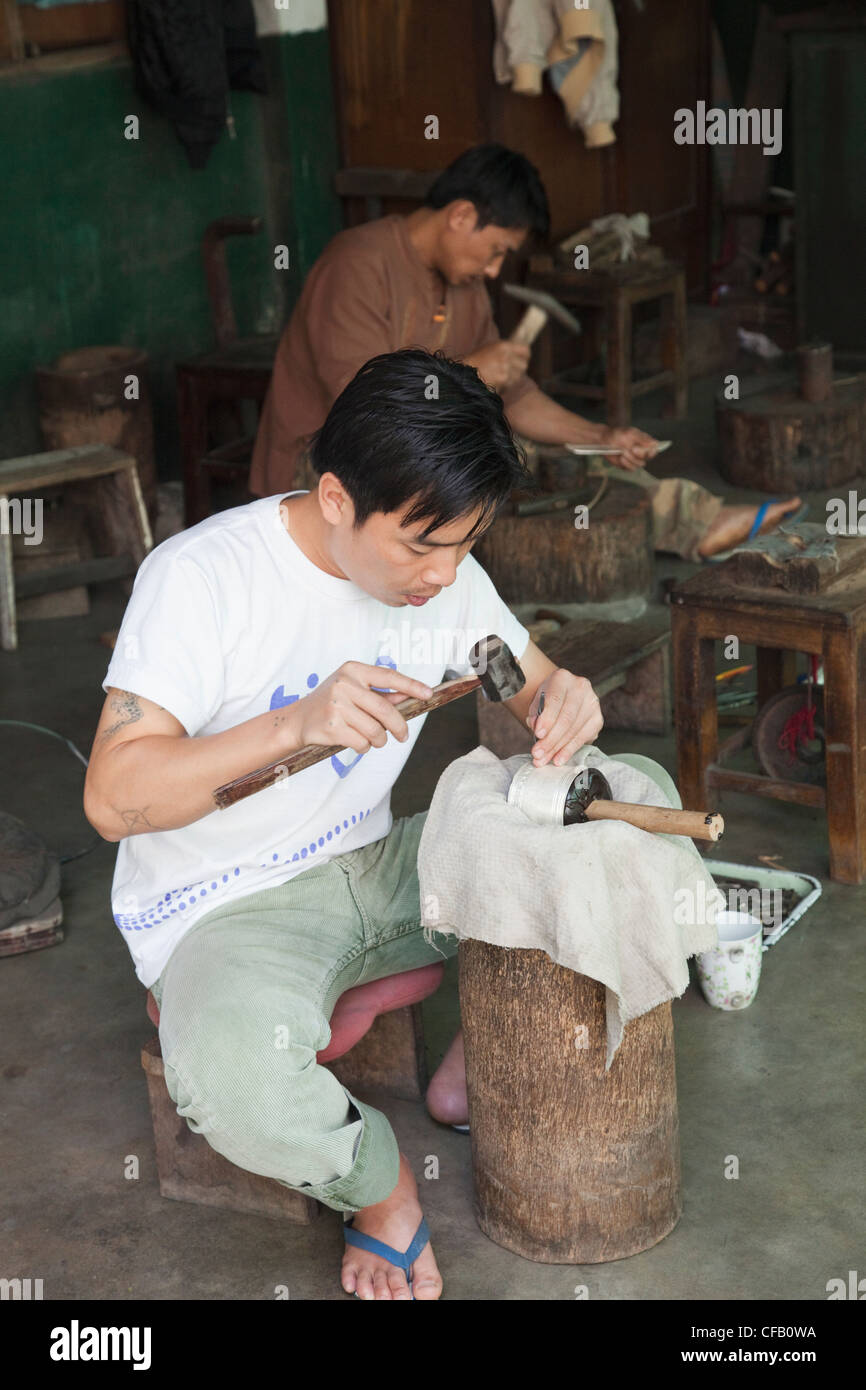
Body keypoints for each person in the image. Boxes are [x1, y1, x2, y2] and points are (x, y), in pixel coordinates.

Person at [84, 349, 678, 1300]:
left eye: (462, 545)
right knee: (234, 1078)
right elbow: (113, 797)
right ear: (332, 496)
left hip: (390, 865)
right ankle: (380, 1186)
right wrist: (294, 722)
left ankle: (477, 1057)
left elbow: (523, 676)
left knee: (631, 796)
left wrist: (564, 697)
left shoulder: (446, 576)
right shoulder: (201, 579)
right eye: (419, 547)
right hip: (230, 909)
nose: (443, 577)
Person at [249, 142, 800, 561]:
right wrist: (471, 372)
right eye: (495, 251)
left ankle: (695, 521)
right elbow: (363, 406)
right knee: (511, 459)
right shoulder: (357, 264)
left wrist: (599, 437)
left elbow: (512, 396)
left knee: (546, 454)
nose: (493, 270)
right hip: (326, 460)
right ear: (461, 215)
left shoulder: (462, 281)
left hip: (416, 446)